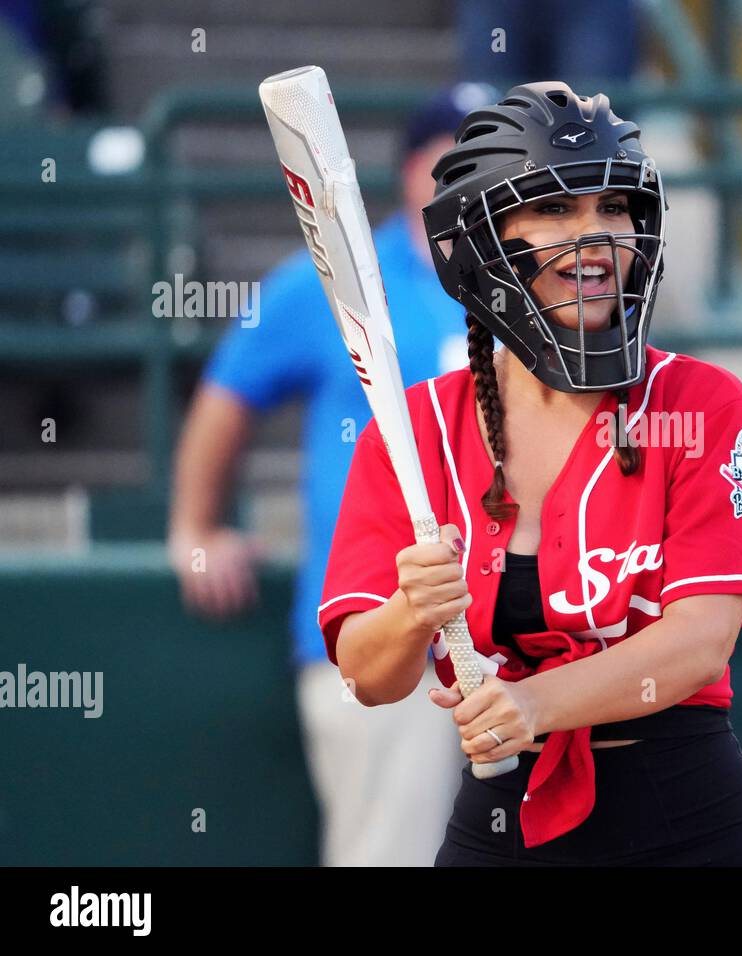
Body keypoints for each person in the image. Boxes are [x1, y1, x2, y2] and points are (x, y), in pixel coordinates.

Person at [318, 81, 742, 865]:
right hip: (501, 814)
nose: (595, 237)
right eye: (553, 208)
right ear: (482, 239)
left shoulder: (702, 402)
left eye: (613, 208)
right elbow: (369, 675)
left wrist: (530, 702)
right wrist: (414, 610)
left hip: (688, 816)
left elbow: (700, 645)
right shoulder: (412, 432)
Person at [167, 82, 497, 866]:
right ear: (417, 170)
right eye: (459, 160)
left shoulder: (525, 278)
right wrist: (195, 529)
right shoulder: (336, 279)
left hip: (523, 639)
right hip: (389, 638)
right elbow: (226, 394)